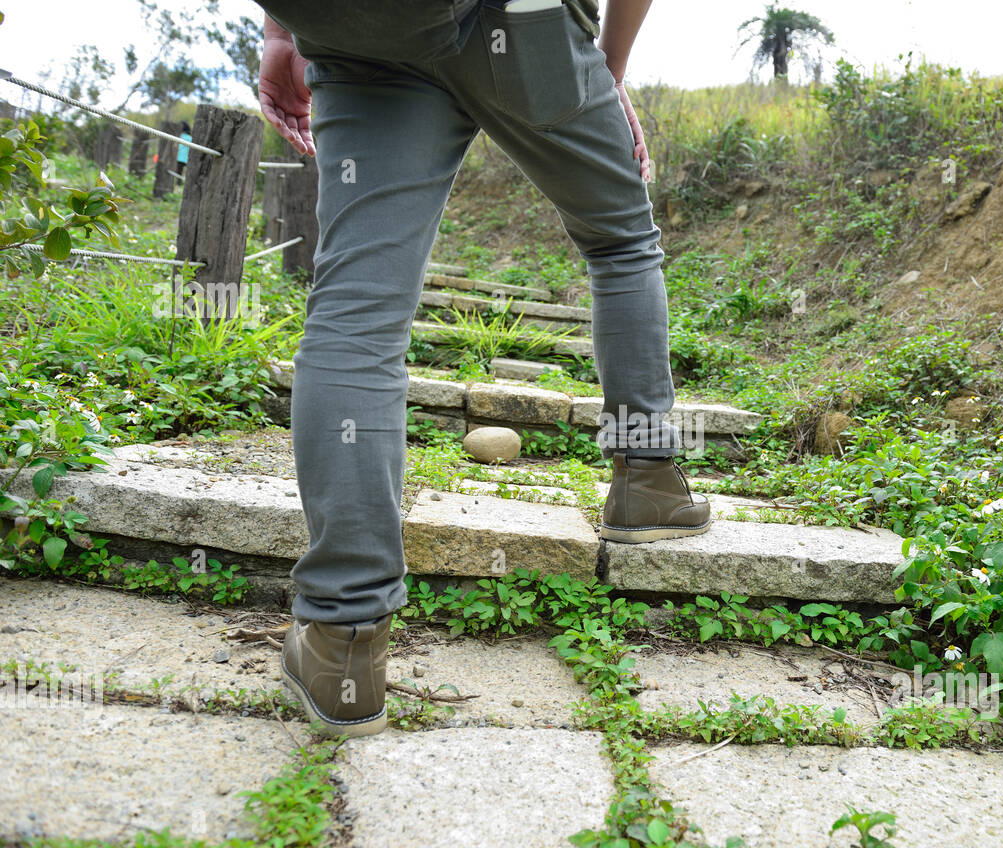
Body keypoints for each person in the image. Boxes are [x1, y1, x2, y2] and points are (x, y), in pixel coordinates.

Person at [256, 0, 710, 737]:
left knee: (357, 308)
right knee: (620, 238)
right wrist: (606, 69)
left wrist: (281, 31)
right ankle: (647, 475)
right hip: (520, 24)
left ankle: (344, 641)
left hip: (356, 28)